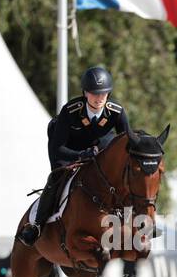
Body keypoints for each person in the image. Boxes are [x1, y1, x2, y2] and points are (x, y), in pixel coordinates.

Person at [17, 65, 131, 247]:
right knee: (55, 180)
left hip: (101, 160)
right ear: (85, 93)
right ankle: (37, 226)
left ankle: (139, 222)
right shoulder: (70, 111)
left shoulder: (117, 112)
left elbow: (128, 144)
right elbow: (57, 148)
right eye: (94, 93)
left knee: (128, 181)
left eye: (103, 93)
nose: (99, 98)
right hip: (71, 156)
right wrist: (81, 155)